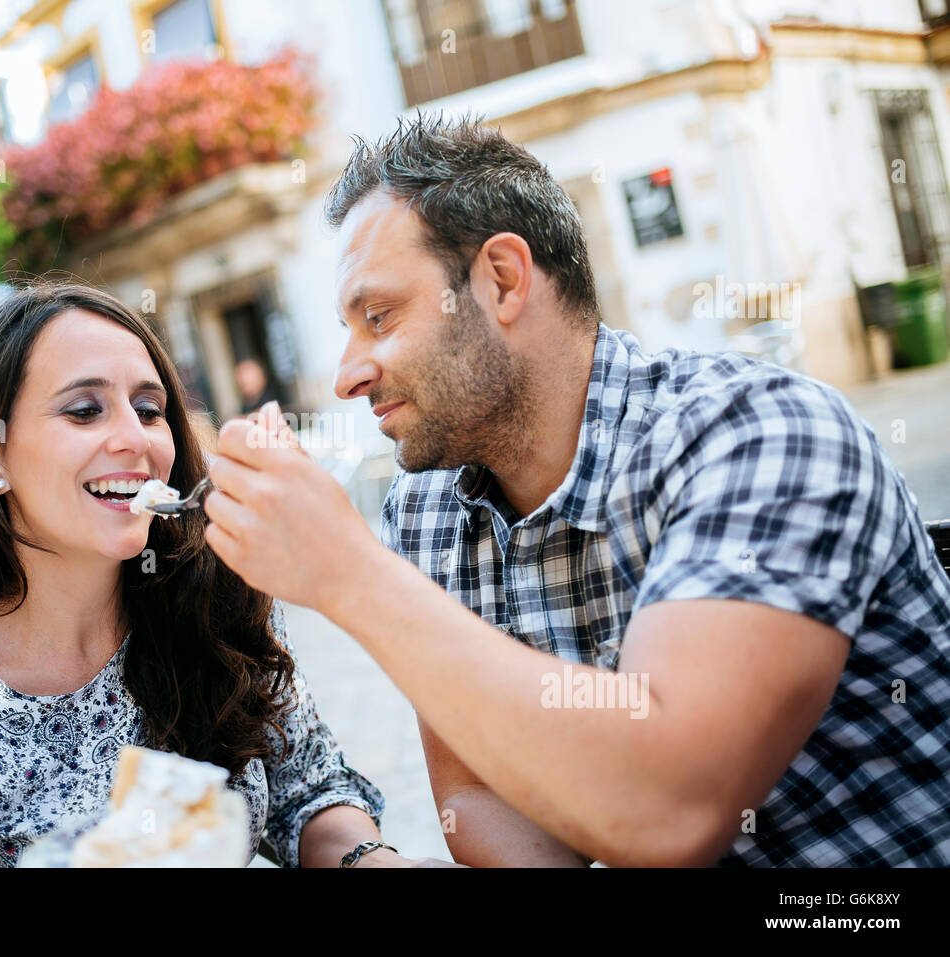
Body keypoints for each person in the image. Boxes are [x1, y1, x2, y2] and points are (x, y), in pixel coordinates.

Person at [201, 114, 950, 867]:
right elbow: (476, 798)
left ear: (501, 279)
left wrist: (347, 570)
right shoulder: (429, 510)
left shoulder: (760, 434)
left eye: (379, 316)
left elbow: (671, 806)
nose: (346, 374)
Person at [0, 282, 417, 868]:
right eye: (85, 411)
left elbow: (309, 795)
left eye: (149, 410)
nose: (135, 439)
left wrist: (369, 860)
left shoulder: (217, 606)